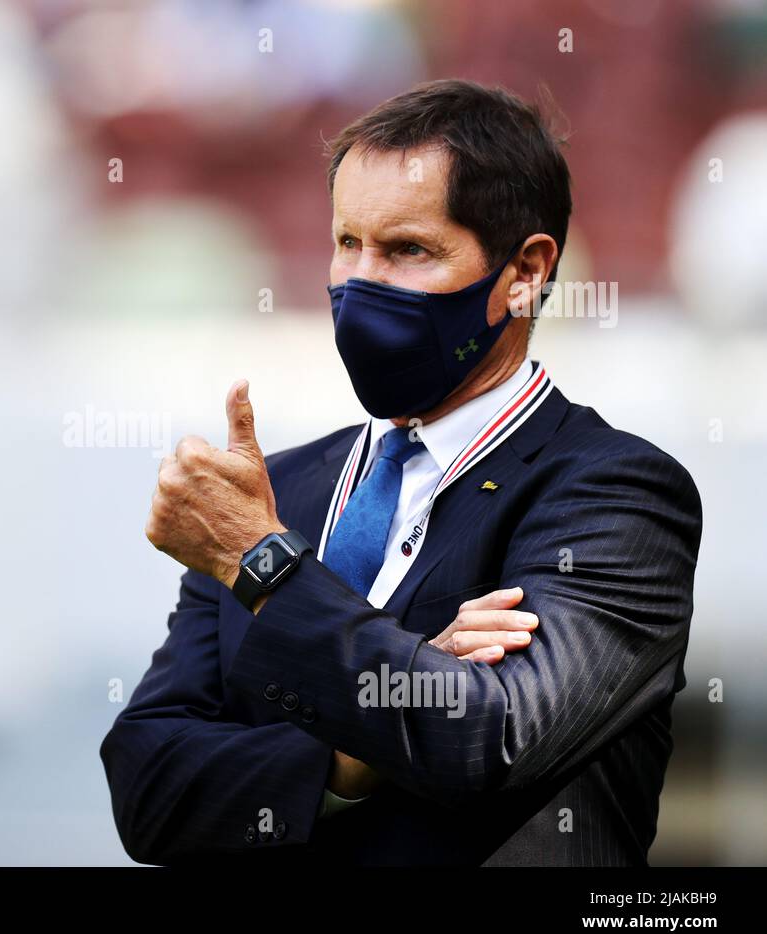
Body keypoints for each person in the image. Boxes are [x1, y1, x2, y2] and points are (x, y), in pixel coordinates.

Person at [99, 79, 702, 865]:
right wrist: (367, 745)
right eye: (348, 242)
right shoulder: (272, 490)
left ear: (524, 272)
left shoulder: (615, 494)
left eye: (408, 250)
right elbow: (150, 794)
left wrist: (263, 565)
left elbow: (493, 740)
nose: (361, 281)